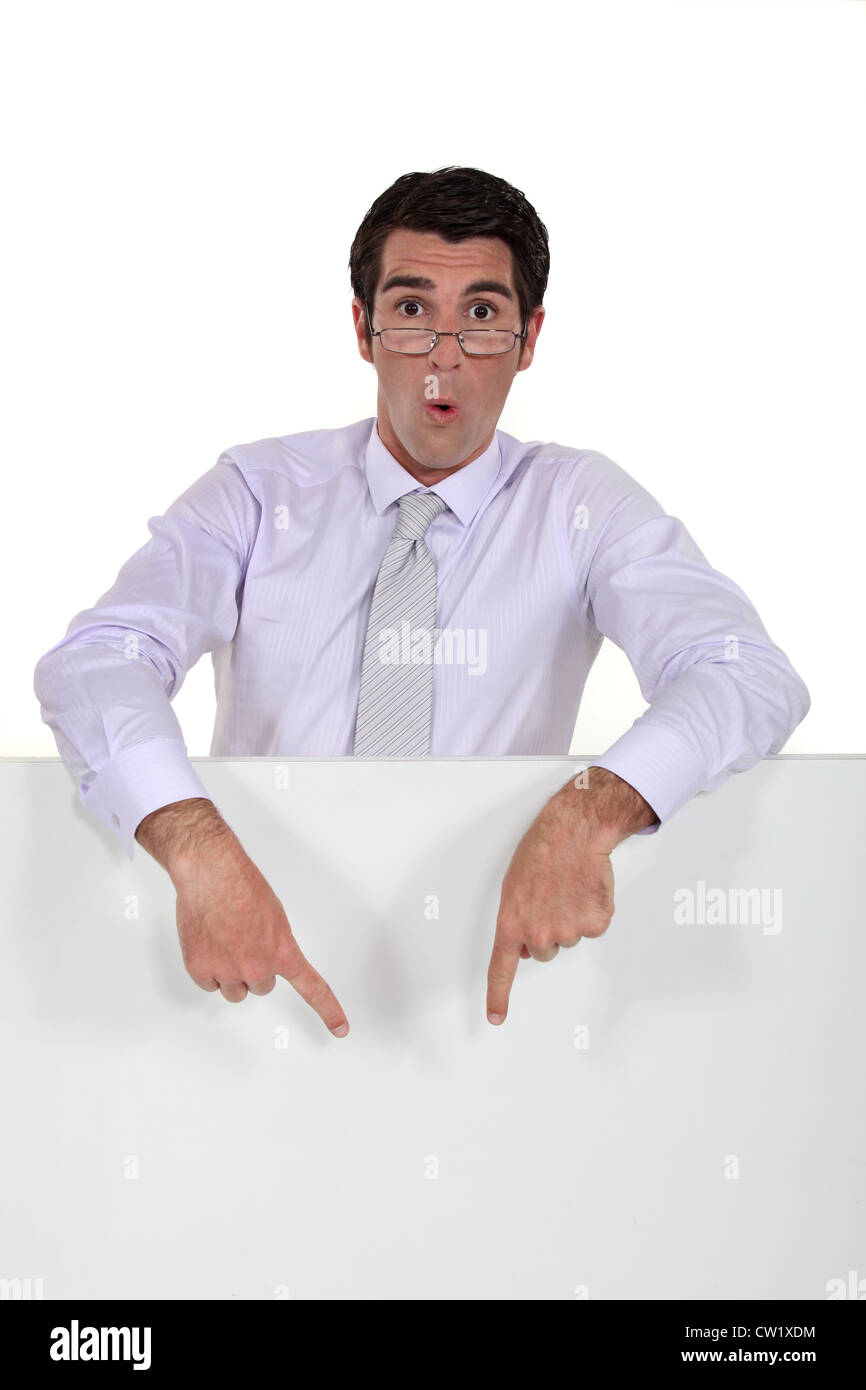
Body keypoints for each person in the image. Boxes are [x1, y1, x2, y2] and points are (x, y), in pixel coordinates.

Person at [33, 165, 810, 1036]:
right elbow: (101, 660)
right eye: (411, 311)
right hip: (247, 968)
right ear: (363, 329)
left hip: (484, 991)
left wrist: (596, 806)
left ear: (529, 337)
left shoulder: (581, 505)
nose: (444, 356)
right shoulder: (256, 491)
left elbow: (746, 673)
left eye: (481, 315)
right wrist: (193, 846)